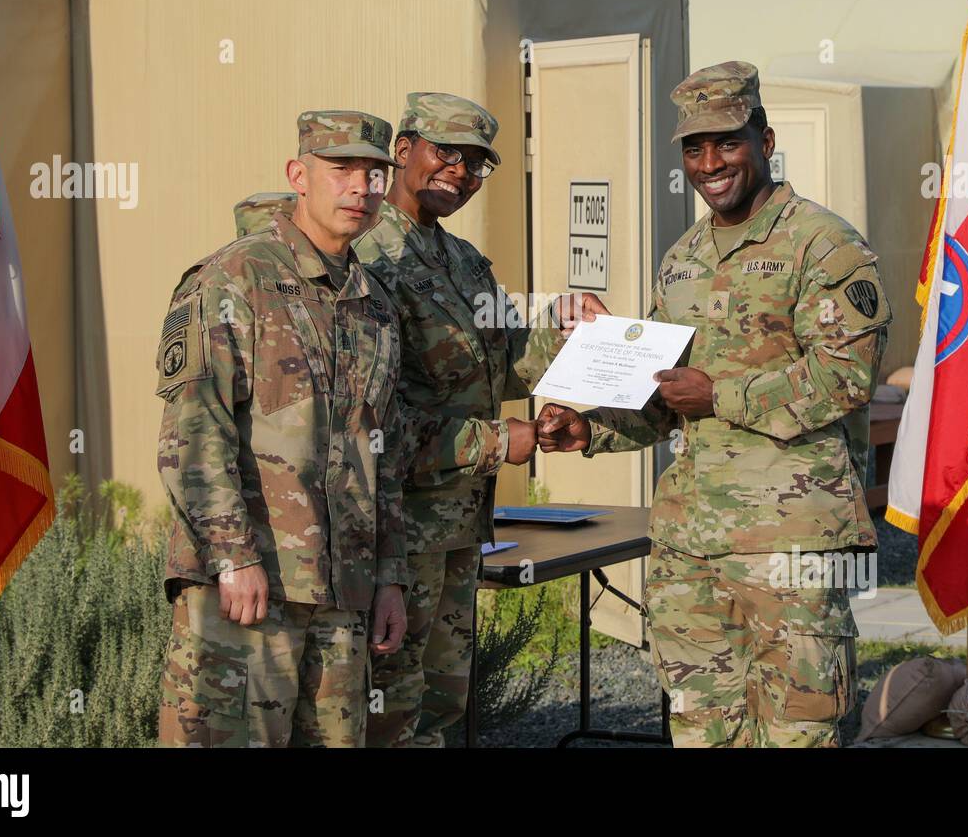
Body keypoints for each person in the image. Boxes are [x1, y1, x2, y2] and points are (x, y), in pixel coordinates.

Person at [538, 62, 892, 748]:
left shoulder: (825, 245)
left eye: (727, 142)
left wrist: (720, 393)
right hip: (691, 549)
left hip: (792, 548)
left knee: (797, 732)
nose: (711, 163)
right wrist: (589, 427)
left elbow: (845, 377)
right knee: (702, 731)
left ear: (764, 139)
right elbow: (663, 393)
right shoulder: (684, 260)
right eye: (694, 148)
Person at [354, 92, 607, 747]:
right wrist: (502, 439)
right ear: (403, 151)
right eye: (447, 154)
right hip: (396, 534)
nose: (460, 174)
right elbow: (375, 422)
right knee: (388, 712)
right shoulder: (367, 262)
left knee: (442, 706)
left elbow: (508, 362)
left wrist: (569, 334)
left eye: (475, 164)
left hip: (459, 527)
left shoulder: (462, 260)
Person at [155, 110, 409, 747]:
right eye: (342, 168)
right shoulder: (233, 278)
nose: (362, 186)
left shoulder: (375, 303)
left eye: (376, 172)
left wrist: (391, 577)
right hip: (249, 587)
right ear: (299, 175)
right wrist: (232, 556)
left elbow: (388, 454)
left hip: (344, 592)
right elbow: (194, 432)